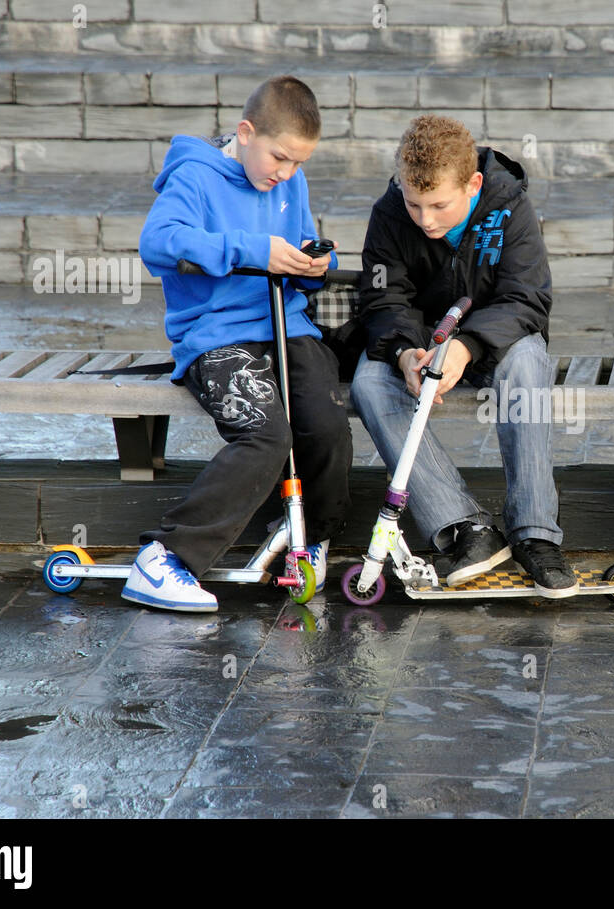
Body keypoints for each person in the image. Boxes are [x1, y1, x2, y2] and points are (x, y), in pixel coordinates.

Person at [126, 75, 352, 612]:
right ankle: (165, 558)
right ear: (246, 133)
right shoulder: (195, 177)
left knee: (326, 423)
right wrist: (252, 250)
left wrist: (316, 264)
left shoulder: (287, 181)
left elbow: (296, 247)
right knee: (266, 437)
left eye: (298, 163)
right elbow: (157, 242)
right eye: (279, 158)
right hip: (217, 335)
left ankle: (307, 539)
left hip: (286, 325)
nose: (287, 173)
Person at [351, 114, 577, 597]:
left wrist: (468, 345)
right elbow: (383, 298)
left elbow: (527, 299)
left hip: (492, 342)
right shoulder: (390, 213)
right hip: (419, 343)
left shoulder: (509, 206)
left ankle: (535, 532)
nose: (425, 219)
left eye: (439, 205)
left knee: (529, 360)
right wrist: (406, 353)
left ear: (473, 184)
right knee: (369, 382)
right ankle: (464, 527)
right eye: (415, 204)